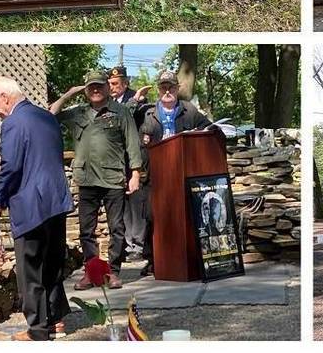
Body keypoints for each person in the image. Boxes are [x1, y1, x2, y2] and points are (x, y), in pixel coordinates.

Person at [0, 77, 73, 341]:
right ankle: (56, 320)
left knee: (30, 269)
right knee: (53, 264)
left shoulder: (13, 122)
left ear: (5, 96)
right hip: (56, 199)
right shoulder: (46, 117)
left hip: (31, 204)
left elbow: (11, 166)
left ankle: (38, 330)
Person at [49, 69, 143, 288]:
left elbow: (132, 144)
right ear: (86, 90)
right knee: (86, 230)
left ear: (107, 88)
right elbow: (51, 113)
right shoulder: (78, 113)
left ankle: (113, 271)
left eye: (99, 86)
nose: (95, 90)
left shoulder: (121, 112)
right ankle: (91, 272)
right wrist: (69, 94)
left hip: (113, 179)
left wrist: (135, 173)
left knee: (117, 228)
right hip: (87, 179)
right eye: (91, 87)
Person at [135, 71, 214, 272]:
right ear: (158, 89)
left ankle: (188, 257)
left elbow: (207, 129)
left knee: (185, 215)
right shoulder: (146, 111)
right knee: (153, 217)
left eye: (171, 87)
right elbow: (124, 117)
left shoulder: (189, 110)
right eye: (163, 87)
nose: (167, 91)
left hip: (183, 173)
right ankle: (154, 260)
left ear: (178, 88)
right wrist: (135, 99)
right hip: (154, 173)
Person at [104, 66, 150, 261]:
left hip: (134, 159)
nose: (111, 87)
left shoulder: (138, 100)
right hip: (116, 160)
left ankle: (137, 245)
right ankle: (125, 244)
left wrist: (133, 102)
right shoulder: (108, 102)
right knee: (121, 205)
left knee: (136, 204)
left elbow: (129, 120)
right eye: (109, 84)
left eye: (115, 84)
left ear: (125, 83)